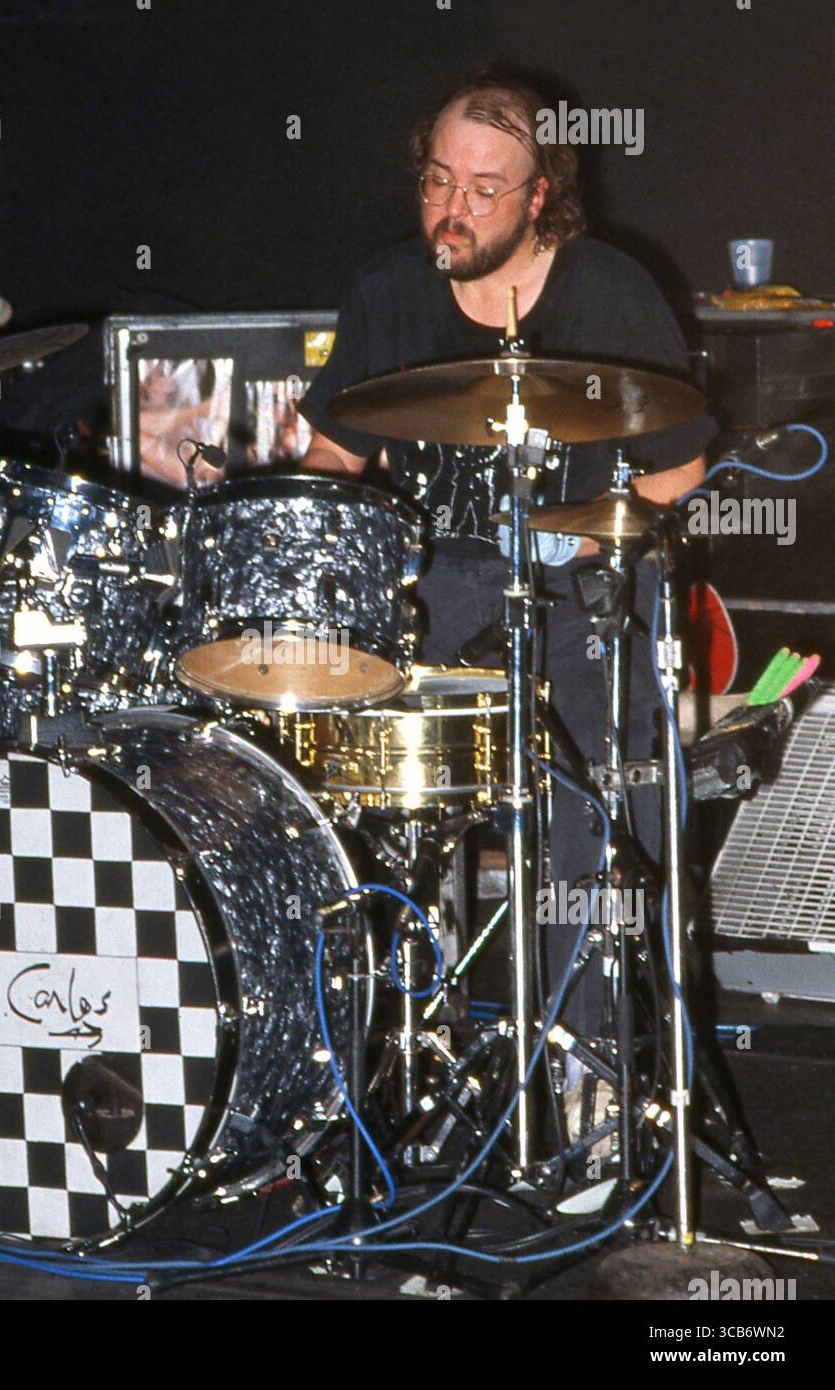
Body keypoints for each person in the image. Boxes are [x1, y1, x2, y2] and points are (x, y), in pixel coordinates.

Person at [297, 70, 717, 1057]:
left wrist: (584, 538)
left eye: (485, 190)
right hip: (435, 588)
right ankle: (371, 1049)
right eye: (439, 181)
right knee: (329, 760)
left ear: (539, 197)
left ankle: (587, 1060)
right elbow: (333, 458)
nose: (455, 208)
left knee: (603, 796)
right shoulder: (389, 290)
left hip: (581, 586)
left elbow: (680, 472)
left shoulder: (609, 290)